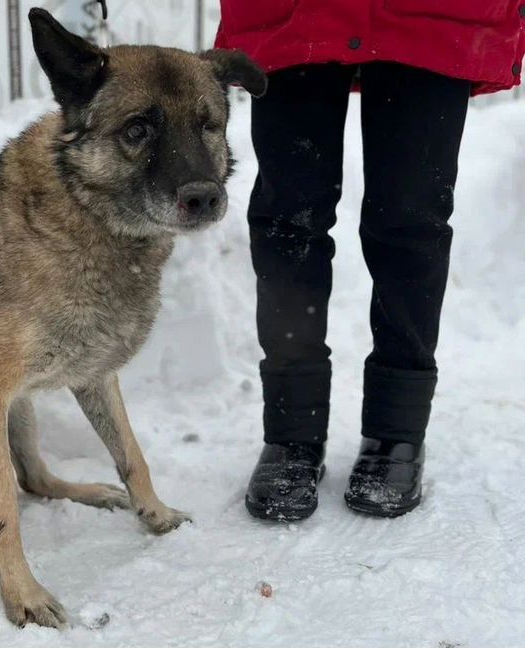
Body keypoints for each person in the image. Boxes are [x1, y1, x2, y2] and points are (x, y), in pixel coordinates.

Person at [214, 1, 525, 520]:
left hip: (433, 14)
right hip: (295, 11)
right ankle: (291, 434)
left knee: (411, 223)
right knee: (289, 219)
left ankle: (396, 433)